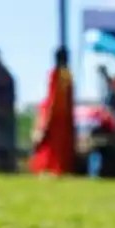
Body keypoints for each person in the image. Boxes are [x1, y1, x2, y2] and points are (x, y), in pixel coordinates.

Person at [29, 47, 75, 176]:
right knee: (61, 145)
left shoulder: (56, 74)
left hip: (55, 117)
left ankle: (51, 168)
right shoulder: (68, 75)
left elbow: (53, 98)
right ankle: (60, 167)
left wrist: (45, 118)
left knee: (52, 146)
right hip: (65, 117)